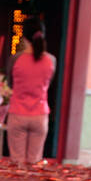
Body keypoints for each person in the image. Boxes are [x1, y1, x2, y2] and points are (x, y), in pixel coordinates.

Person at [7, 18, 55, 163]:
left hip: (18, 113)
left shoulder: (15, 59)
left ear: (23, 37)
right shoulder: (51, 60)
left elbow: (10, 84)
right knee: (35, 162)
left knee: (17, 163)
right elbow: (48, 83)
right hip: (40, 114)